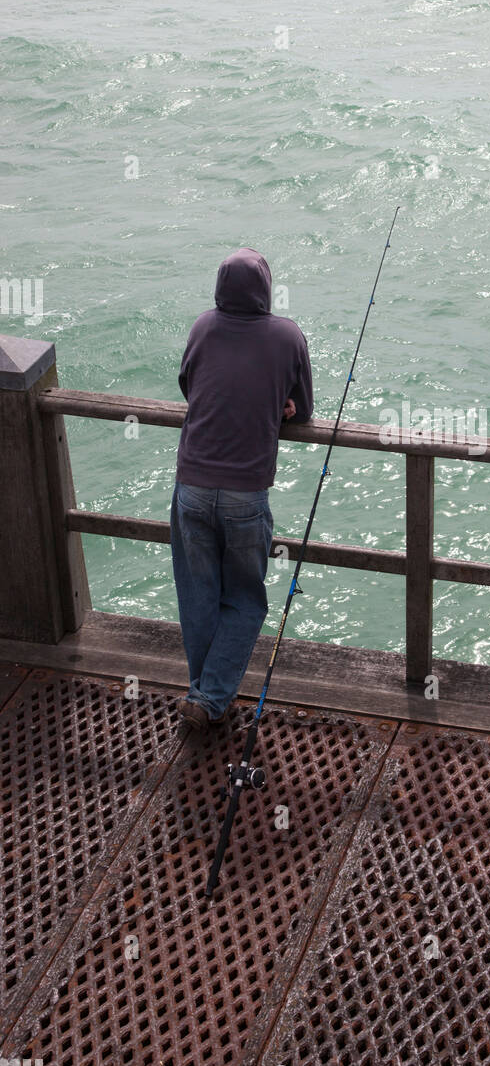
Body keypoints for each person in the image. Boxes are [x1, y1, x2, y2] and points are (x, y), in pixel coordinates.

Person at [170, 247, 313, 731]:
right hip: (245, 494)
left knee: (199, 595)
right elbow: (306, 409)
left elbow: (191, 386)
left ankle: (203, 693)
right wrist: (281, 405)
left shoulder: (202, 327)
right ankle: (209, 699)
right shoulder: (287, 335)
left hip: (191, 483)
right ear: (265, 290)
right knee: (247, 600)